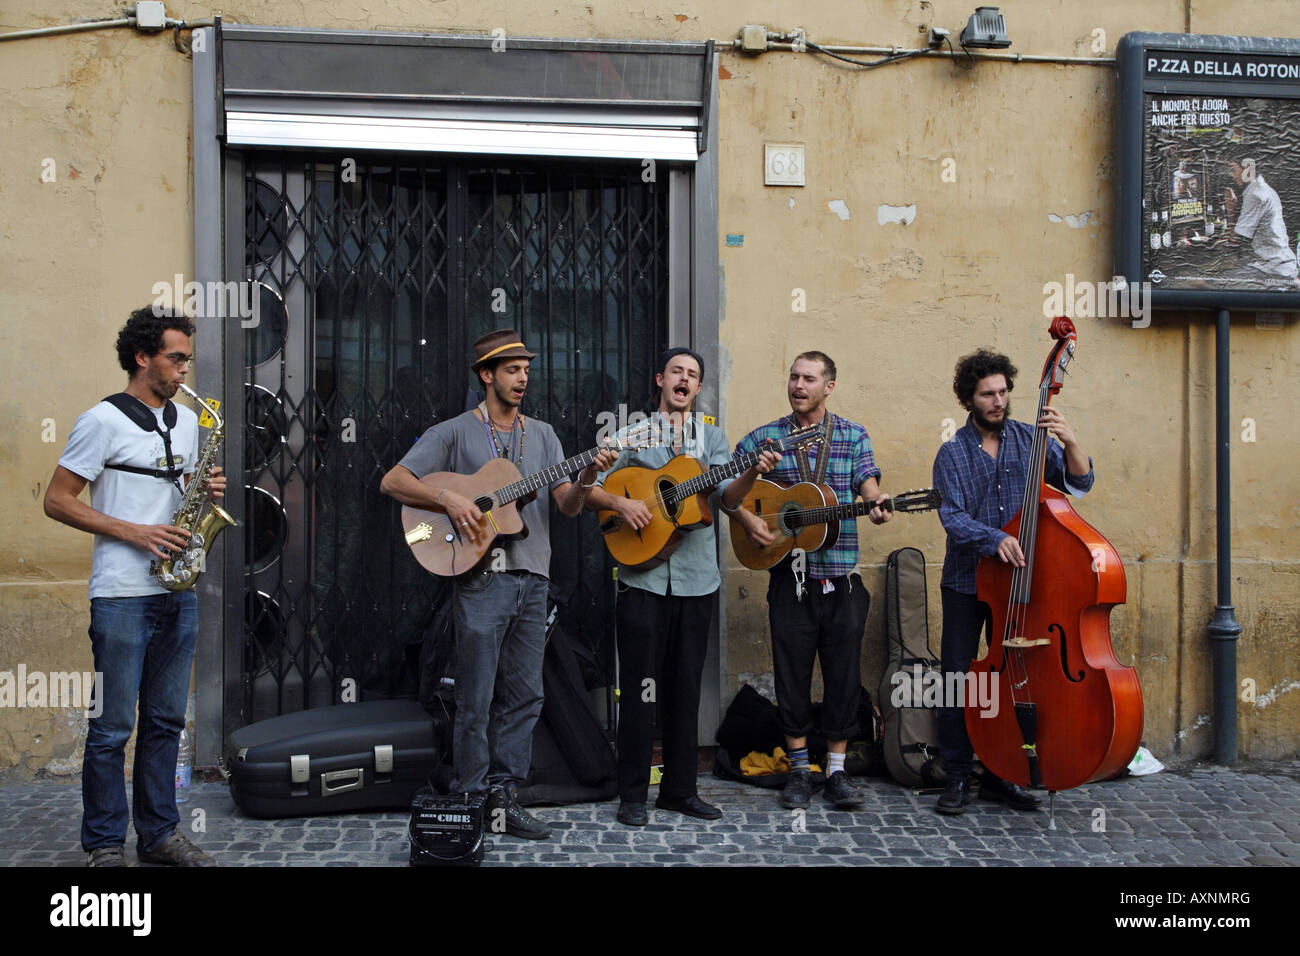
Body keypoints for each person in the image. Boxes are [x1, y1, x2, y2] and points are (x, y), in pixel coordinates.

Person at [379, 329, 615, 841]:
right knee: (476, 696)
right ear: (486, 375)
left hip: (533, 580)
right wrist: (451, 500)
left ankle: (505, 798)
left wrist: (591, 476)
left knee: (526, 695)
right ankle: (469, 795)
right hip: (482, 580)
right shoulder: (455, 431)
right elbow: (394, 481)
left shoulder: (546, 436)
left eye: (526, 369)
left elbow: (568, 506)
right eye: (511, 369)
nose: (522, 377)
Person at [44, 307, 226, 867]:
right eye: (175, 358)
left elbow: (180, 501)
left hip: (177, 590)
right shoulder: (101, 420)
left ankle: (159, 835)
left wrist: (207, 491)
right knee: (112, 727)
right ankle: (103, 844)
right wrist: (134, 531)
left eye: (187, 359)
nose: (183, 371)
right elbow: (57, 500)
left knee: (167, 721)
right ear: (142, 357)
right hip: (122, 593)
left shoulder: (189, 423)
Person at [584, 348, 777, 826]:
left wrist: (750, 471)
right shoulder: (631, 433)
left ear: (696, 388)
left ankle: (679, 790)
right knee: (637, 689)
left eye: (692, 374)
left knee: (685, 687)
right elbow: (589, 489)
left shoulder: (712, 437)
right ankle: (632, 794)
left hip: (695, 581)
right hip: (641, 577)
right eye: (677, 371)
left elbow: (728, 497)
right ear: (660, 380)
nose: (684, 379)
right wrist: (622, 505)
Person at [930, 349, 1093, 814]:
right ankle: (959, 775)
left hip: (1023, 587)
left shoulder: (1032, 440)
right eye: (988, 394)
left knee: (1011, 681)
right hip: (968, 582)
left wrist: (1071, 440)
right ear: (969, 399)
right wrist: (992, 539)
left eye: (1003, 392)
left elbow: (1079, 485)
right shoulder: (952, 453)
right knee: (958, 679)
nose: (998, 401)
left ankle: (1004, 772)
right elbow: (951, 515)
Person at [725, 351, 891, 812]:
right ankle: (799, 770)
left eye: (809, 379)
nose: (799, 385)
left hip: (841, 578)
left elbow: (867, 480)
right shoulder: (764, 437)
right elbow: (726, 495)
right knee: (791, 675)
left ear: (829, 386)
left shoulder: (853, 435)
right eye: (794, 377)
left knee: (842, 675)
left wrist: (875, 502)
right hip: (789, 580)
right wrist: (747, 506)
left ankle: (836, 772)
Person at [1222, 153, 1298, 285]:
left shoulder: (1255, 194)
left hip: (1273, 270)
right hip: (1277, 264)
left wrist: (1230, 210)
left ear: (1247, 168)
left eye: (1234, 170)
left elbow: (1234, 241)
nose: (1233, 177)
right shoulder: (1259, 188)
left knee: (1217, 283)